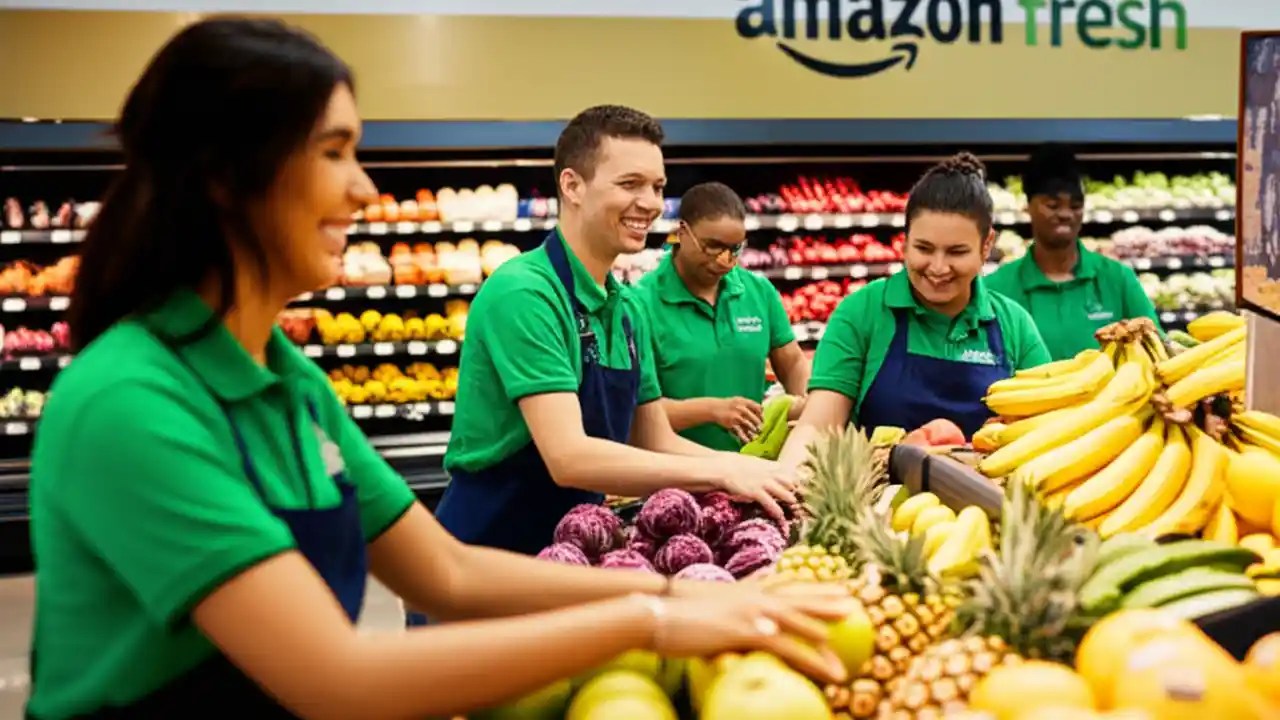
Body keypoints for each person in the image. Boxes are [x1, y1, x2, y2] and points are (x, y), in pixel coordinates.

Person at [24, 17, 852, 720]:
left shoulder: (287, 383)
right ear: (225, 179)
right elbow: (332, 678)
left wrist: (682, 595)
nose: (365, 188)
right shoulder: (132, 402)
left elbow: (446, 571)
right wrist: (652, 619)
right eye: (336, 152)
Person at [430, 106, 799, 562]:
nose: (650, 202)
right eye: (630, 184)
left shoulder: (625, 309)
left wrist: (753, 469)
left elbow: (655, 440)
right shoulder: (525, 292)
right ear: (572, 186)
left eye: (658, 187)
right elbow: (569, 458)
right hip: (486, 551)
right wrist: (720, 476)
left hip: (573, 544)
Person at [776, 153, 1052, 470]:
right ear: (905, 242)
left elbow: (1044, 428)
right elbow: (818, 425)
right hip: (876, 503)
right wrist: (783, 482)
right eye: (923, 248)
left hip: (986, 503)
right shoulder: (862, 312)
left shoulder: (1013, 325)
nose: (937, 267)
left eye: (956, 252)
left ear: (986, 245)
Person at [631, 181, 810, 451]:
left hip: (753, 466)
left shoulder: (758, 292)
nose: (725, 260)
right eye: (712, 246)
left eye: (735, 249)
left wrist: (810, 403)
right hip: (673, 476)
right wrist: (710, 410)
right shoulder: (640, 304)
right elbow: (635, 414)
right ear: (682, 232)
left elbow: (793, 362)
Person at [984, 144, 1162, 360]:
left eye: (1076, 206)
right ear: (1028, 206)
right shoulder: (996, 288)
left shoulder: (1117, 278)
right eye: (1052, 205)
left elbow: (1157, 348)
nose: (1066, 214)